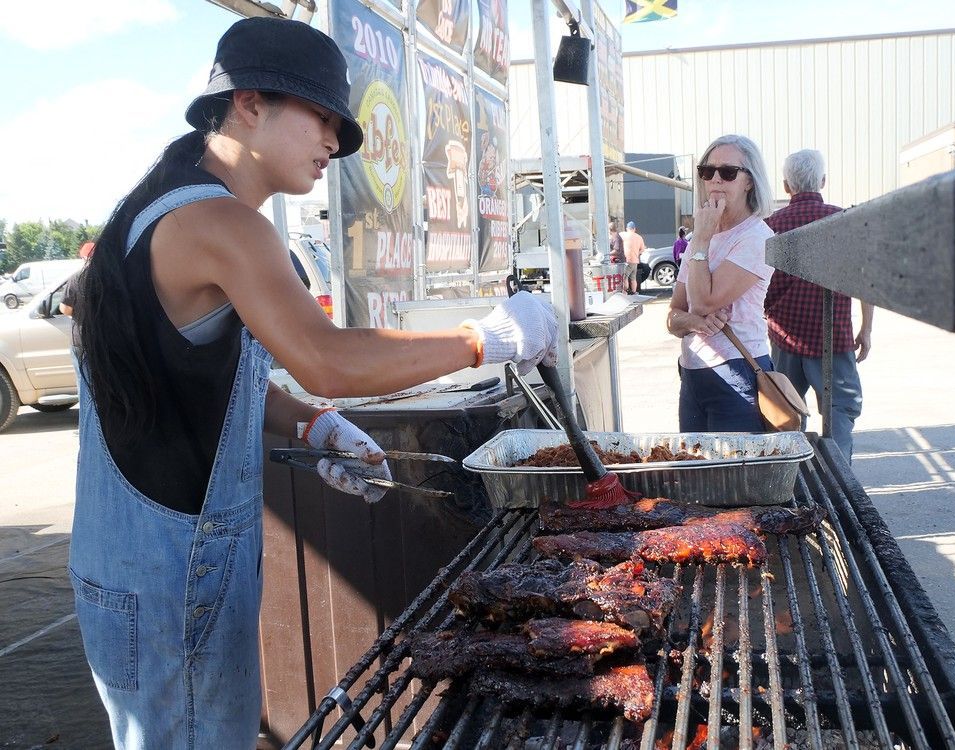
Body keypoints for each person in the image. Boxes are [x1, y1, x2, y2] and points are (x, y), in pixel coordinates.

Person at [70, 17, 557, 749]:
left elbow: (196, 382)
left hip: (135, 568)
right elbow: (327, 358)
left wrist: (312, 423)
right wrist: (484, 340)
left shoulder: (162, 203)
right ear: (249, 104)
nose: (333, 141)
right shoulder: (219, 223)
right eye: (321, 117)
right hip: (172, 576)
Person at [764, 149, 873, 462]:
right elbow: (864, 278)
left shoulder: (770, 226)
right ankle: (840, 476)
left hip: (785, 339)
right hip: (834, 337)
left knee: (786, 414)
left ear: (786, 186)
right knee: (840, 410)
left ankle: (791, 478)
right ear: (823, 181)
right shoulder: (843, 222)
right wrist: (866, 329)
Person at [667, 134, 775, 431]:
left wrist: (702, 238)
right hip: (693, 371)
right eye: (707, 171)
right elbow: (673, 316)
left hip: (737, 371)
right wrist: (694, 322)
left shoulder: (756, 237)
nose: (715, 179)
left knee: (736, 462)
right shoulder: (701, 236)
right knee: (694, 461)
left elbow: (704, 301)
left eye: (727, 172)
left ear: (749, 181)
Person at [622, 220, 646, 294]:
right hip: (635, 261)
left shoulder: (624, 235)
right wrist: (637, 253)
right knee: (633, 278)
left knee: (625, 277)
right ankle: (634, 292)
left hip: (627, 260)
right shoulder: (639, 237)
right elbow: (643, 249)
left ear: (627, 228)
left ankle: (625, 291)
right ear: (634, 229)